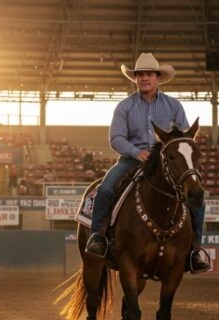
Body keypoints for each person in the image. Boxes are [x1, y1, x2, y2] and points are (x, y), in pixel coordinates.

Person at [85, 53, 210, 273]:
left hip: (166, 164)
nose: (144, 78)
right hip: (131, 161)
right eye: (140, 74)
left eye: (149, 74)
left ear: (157, 78)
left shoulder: (173, 106)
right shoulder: (125, 107)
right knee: (105, 189)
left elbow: (185, 138)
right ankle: (98, 237)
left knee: (196, 196)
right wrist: (136, 152)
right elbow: (116, 138)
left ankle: (195, 250)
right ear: (135, 78)